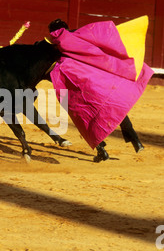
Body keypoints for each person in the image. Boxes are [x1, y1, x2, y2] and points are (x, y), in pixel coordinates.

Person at [47, 17, 153, 161]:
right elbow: (105, 35)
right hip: (101, 82)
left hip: (85, 91)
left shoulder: (58, 53)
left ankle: (101, 150)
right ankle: (136, 141)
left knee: (85, 116)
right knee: (116, 108)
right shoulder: (81, 36)